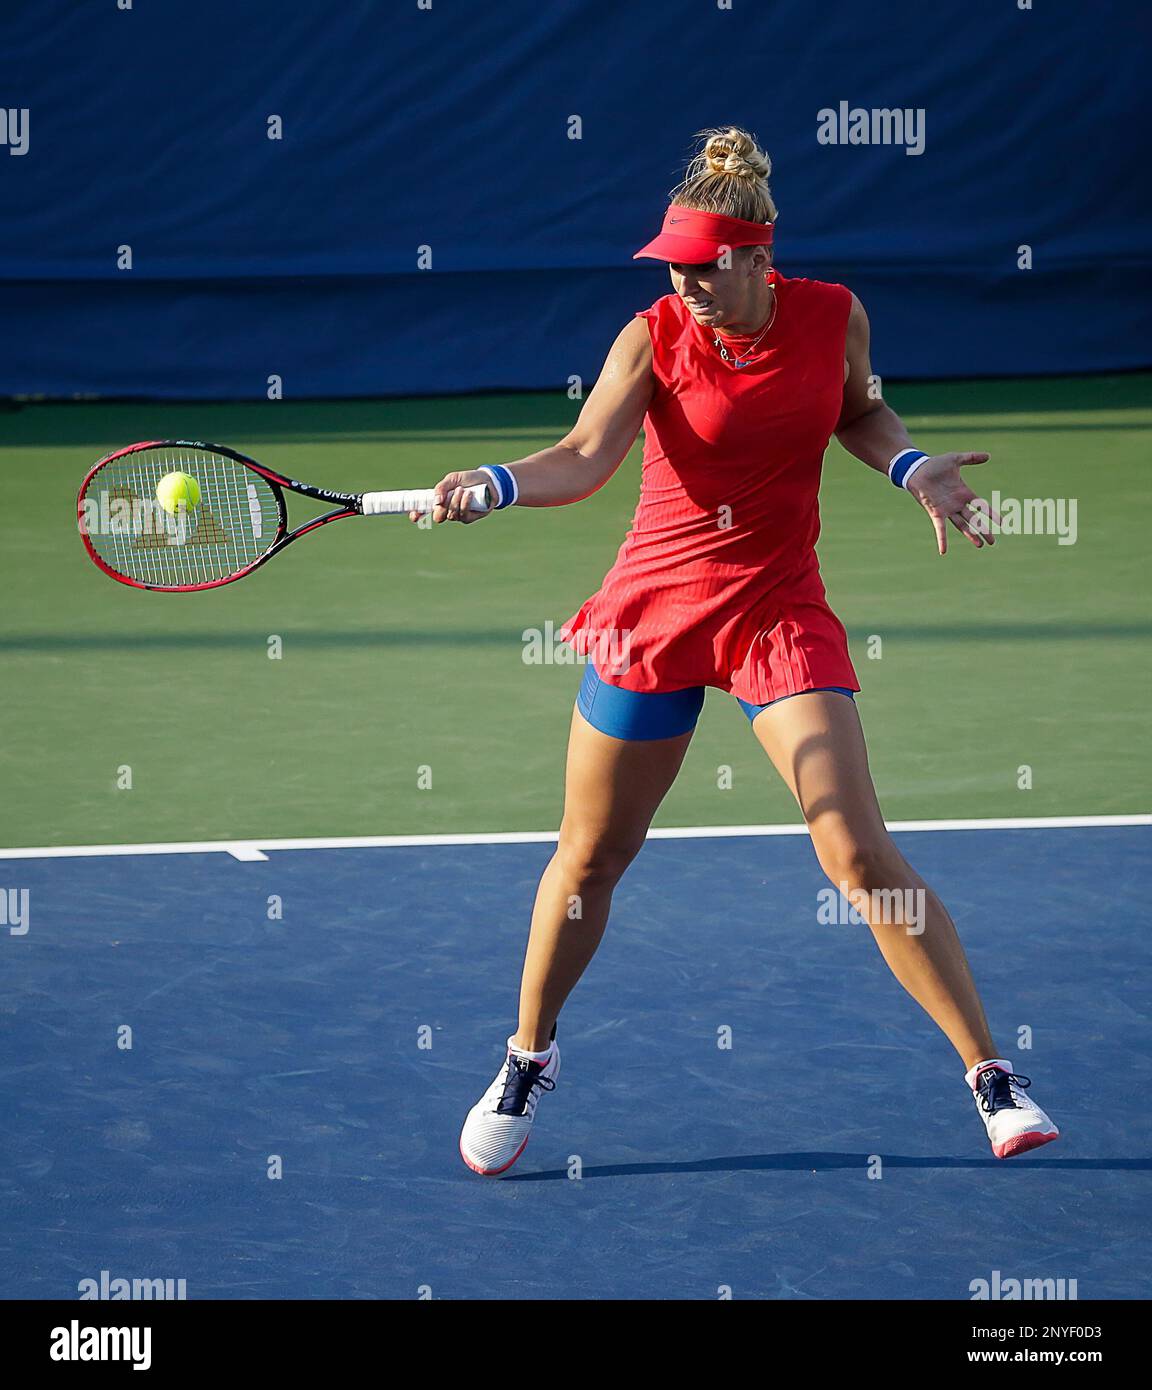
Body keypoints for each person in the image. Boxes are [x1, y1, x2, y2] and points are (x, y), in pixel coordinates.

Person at [416, 127, 1059, 1175]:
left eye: (704, 266)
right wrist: (497, 480)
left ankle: (992, 1073)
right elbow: (582, 457)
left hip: (775, 609)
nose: (686, 282)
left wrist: (910, 468)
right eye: (672, 265)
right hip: (655, 607)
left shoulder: (832, 314)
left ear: (760, 257)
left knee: (856, 850)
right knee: (592, 855)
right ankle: (528, 1055)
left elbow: (860, 411)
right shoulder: (654, 333)